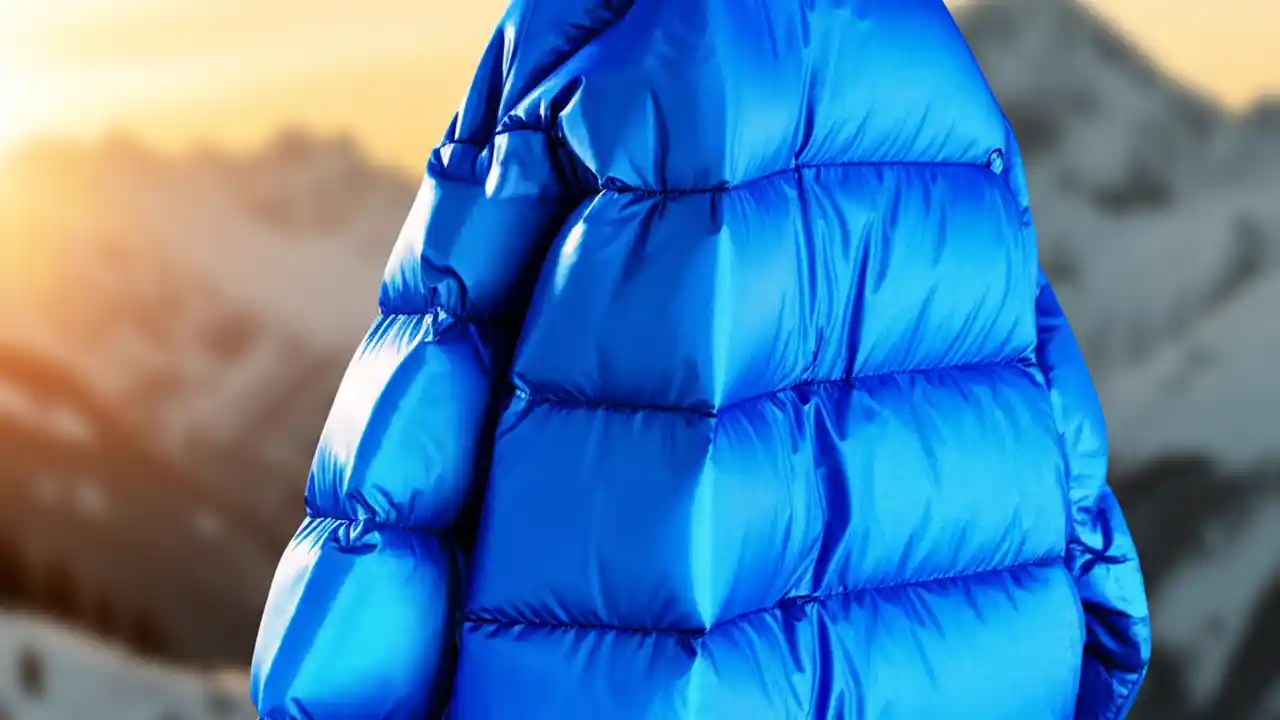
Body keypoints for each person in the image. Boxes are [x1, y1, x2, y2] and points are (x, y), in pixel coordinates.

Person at [250, 0, 1151, 717]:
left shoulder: (584, 35)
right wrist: (1090, 655)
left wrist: (333, 679)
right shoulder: (947, 80)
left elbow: (438, 345)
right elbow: (1047, 399)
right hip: (974, 676)